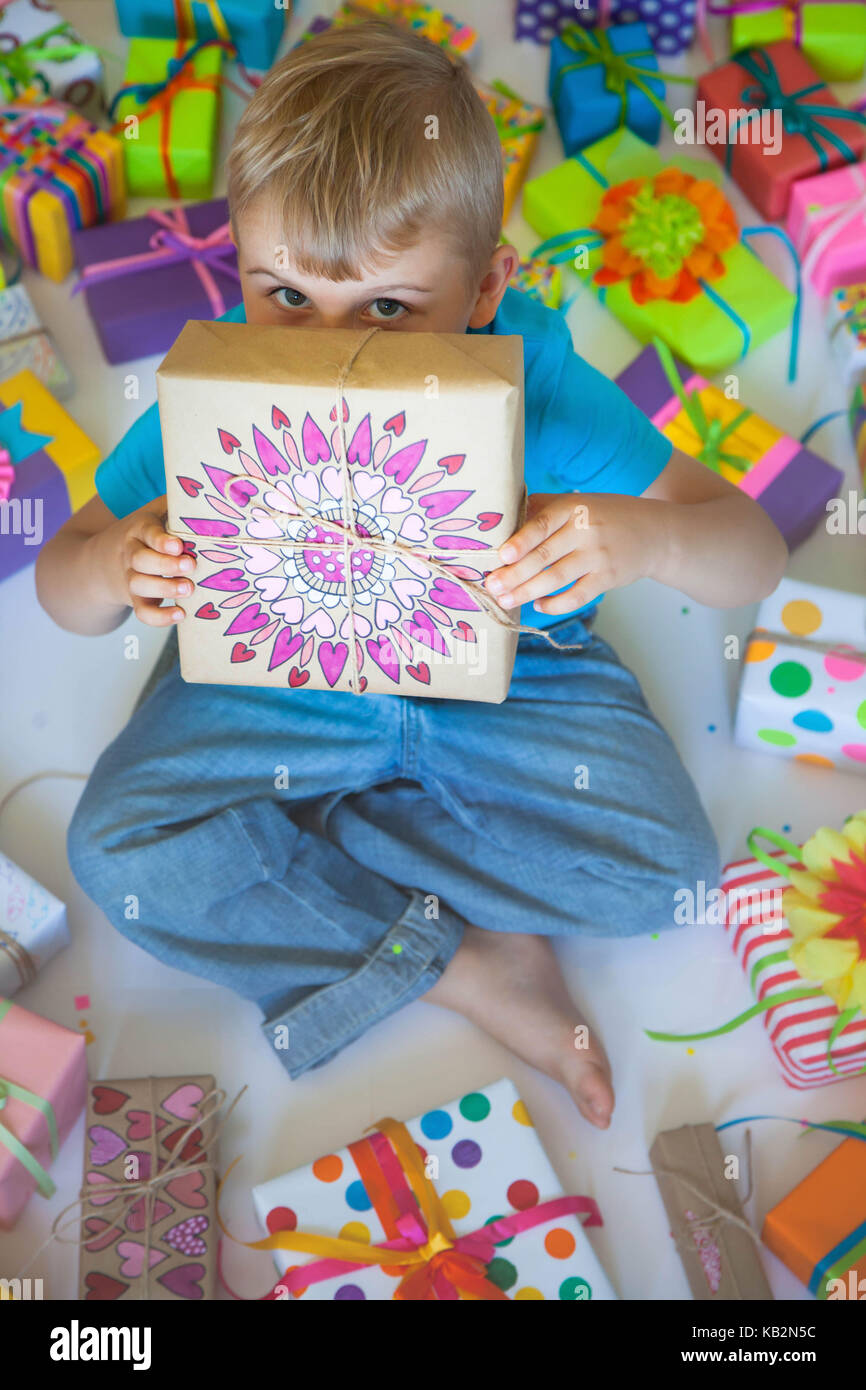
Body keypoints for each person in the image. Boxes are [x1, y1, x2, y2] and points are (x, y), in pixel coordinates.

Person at [37, 22, 788, 1129]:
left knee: (657, 874)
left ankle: (313, 844)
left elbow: (751, 550)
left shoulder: (537, 384)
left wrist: (645, 538)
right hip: (272, 682)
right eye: (283, 295)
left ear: (486, 286)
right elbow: (61, 582)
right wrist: (110, 565)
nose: (334, 345)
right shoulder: (215, 388)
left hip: (514, 675)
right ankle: (457, 961)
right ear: (238, 256)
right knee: (114, 845)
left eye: (388, 308)